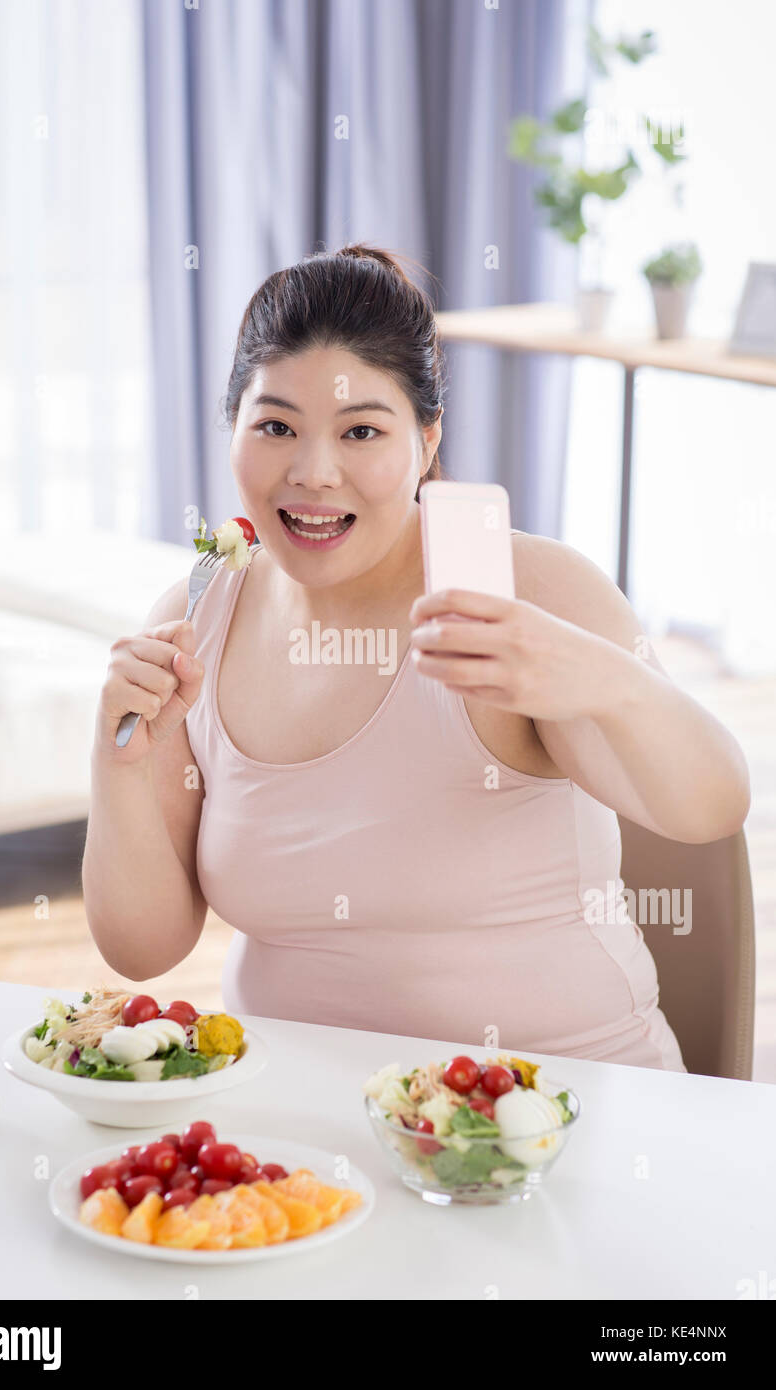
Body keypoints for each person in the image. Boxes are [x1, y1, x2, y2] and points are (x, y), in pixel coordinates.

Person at [82, 244, 751, 1070]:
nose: (313, 471)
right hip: (302, 1149)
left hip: (548, 1128)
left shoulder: (524, 589)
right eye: (276, 426)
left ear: (427, 441)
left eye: (361, 430)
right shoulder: (196, 617)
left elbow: (712, 806)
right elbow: (141, 949)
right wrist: (116, 760)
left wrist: (603, 680)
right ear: (234, 431)